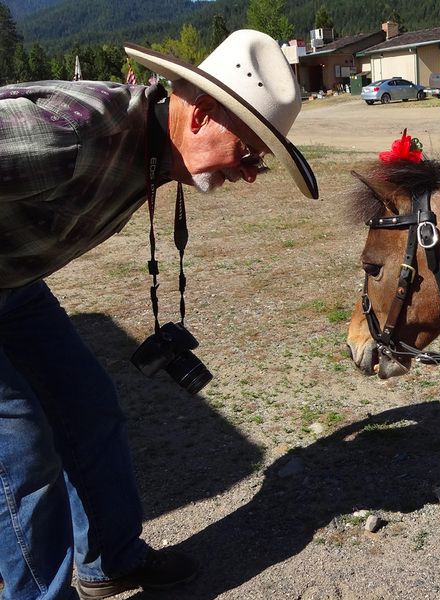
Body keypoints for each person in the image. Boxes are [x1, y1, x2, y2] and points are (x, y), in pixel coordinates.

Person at [0, 30, 318, 600]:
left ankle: (110, 562)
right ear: (201, 117)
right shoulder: (72, 134)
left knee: (89, 408)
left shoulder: (153, 152)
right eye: (249, 154)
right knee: (22, 447)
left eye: (259, 166)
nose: (248, 175)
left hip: (13, 283)